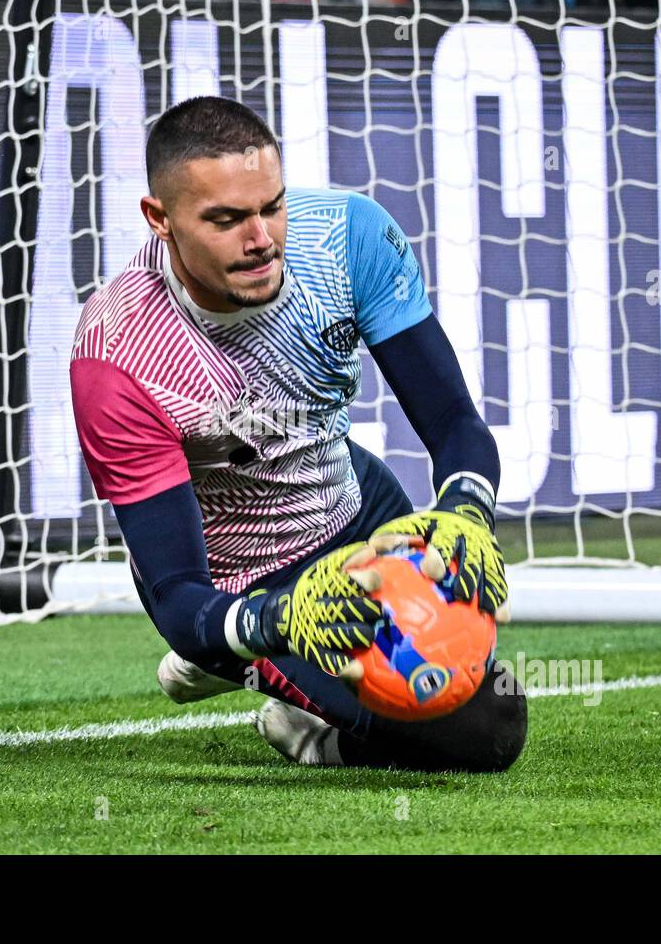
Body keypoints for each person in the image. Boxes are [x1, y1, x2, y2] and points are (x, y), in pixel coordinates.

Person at [69, 96, 526, 771]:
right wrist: (268, 620)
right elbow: (174, 591)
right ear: (159, 220)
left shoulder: (348, 238)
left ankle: (264, 672)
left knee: (484, 693)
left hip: (353, 505)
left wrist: (466, 512)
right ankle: (282, 703)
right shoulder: (117, 354)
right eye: (225, 220)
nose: (262, 239)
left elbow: (455, 421)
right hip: (246, 575)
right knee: (480, 738)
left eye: (271, 206)